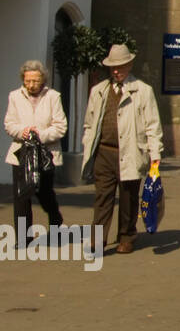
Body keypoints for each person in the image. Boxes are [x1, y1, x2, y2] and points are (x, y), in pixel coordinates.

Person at [81, 44, 163, 255]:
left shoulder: (143, 91)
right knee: (102, 197)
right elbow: (89, 122)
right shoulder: (98, 91)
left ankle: (126, 236)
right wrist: (87, 143)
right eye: (112, 67)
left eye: (120, 67)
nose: (116, 71)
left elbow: (152, 125)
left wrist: (155, 155)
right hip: (104, 152)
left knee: (128, 198)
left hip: (130, 151)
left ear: (130, 65)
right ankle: (97, 239)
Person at [5, 60, 67, 240]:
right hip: (21, 154)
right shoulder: (15, 96)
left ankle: (55, 217)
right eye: (27, 80)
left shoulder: (53, 96)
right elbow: (9, 124)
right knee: (21, 196)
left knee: (44, 193)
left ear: (43, 80)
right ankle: (23, 237)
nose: (31, 85)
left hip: (46, 154)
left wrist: (40, 135)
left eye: (35, 81)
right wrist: (22, 132)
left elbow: (61, 126)